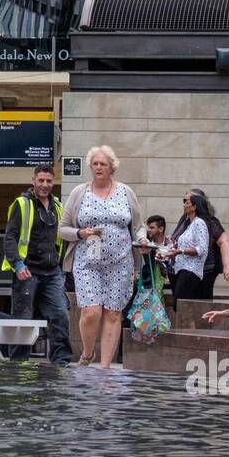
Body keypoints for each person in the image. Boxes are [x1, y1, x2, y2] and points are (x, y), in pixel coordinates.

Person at [59, 145, 142, 368]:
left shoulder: (126, 192)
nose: (98, 167)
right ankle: (87, 354)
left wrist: (142, 240)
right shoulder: (79, 193)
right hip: (88, 261)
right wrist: (80, 233)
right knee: (91, 311)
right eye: (94, 163)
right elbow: (63, 228)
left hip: (120, 261)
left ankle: (105, 368)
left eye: (103, 164)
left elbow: (138, 226)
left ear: (111, 167)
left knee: (113, 314)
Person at [2, 164, 72, 366]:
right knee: (23, 320)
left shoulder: (58, 207)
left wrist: (62, 269)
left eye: (49, 181)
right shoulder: (22, 204)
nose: (45, 184)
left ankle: (62, 363)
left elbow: (62, 240)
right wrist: (17, 265)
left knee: (60, 316)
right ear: (33, 181)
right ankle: (18, 364)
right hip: (27, 272)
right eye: (41, 180)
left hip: (52, 273)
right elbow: (10, 238)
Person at [165, 191, 212, 300]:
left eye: (187, 202)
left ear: (194, 206)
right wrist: (169, 253)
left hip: (191, 270)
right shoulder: (188, 224)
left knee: (181, 302)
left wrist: (180, 251)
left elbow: (202, 249)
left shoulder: (199, 223)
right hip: (180, 269)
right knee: (178, 303)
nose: (184, 205)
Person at [188, 188, 229, 298]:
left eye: (187, 201)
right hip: (189, 267)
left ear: (196, 204)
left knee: (203, 297)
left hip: (206, 268)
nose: (184, 204)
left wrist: (227, 266)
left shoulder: (209, 221)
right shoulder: (186, 220)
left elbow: (223, 241)